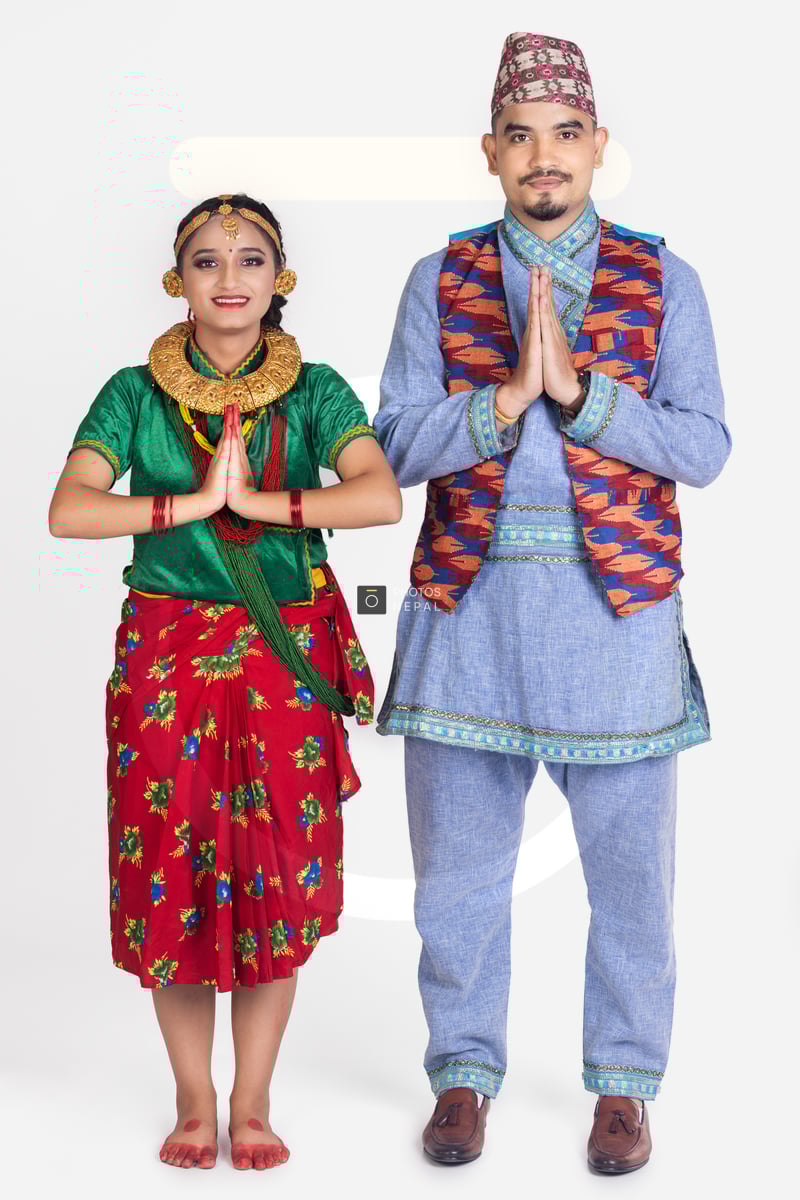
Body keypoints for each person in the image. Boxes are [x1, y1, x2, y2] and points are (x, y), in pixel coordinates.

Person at [374, 33, 730, 1175]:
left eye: (563, 134)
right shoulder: (434, 281)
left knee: (632, 879)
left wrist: (578, 398)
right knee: (456, 876)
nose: (542, 158)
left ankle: (623, 1086)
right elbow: (387, 444)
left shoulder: (665, 281)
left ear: (596, 149)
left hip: (613, 616)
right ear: (489, 150)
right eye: (518, 136)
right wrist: (503, 396)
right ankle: (462, 1074)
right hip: (466, 612)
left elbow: (703, 446)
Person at [49, 192, 401, 1171]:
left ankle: (253, 1101)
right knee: (173, 876)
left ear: (279, 280)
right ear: (178, 280)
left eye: (251, 260)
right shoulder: (134, 393)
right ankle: (191, 1098)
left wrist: (257, 501)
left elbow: (375, 493)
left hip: (278, 662)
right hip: (165, 656)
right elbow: (69, 511)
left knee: (273, 879)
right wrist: (196, 503)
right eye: (207, 261)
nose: (230, 278)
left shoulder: (316, 390)